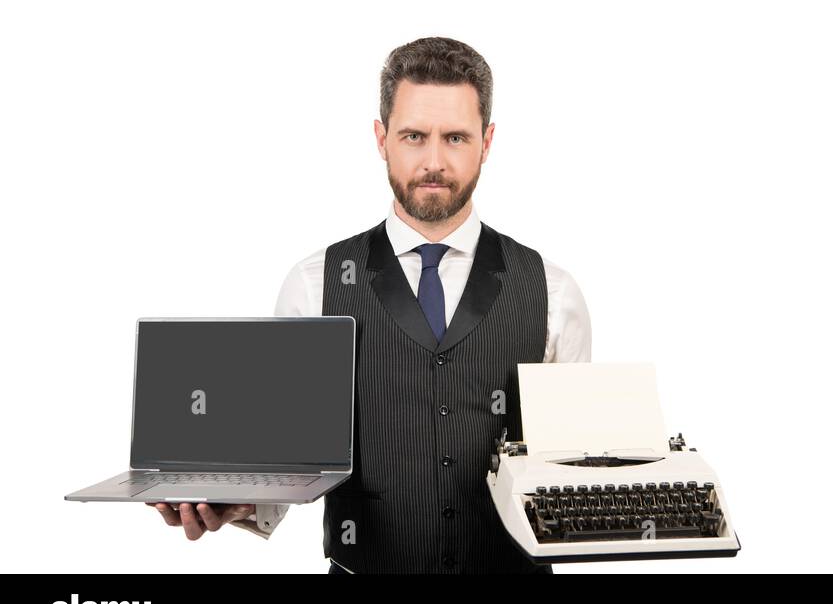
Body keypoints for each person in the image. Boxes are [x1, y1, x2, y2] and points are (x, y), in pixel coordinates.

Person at [149, 36, 591, 574]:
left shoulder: (553, 291)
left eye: (455, 137)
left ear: (487, 141)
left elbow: (567, 469)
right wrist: (235, 502)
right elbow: (290, 457)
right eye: (413, 136)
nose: (434, 161)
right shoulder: (316, 285)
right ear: (381, 138)